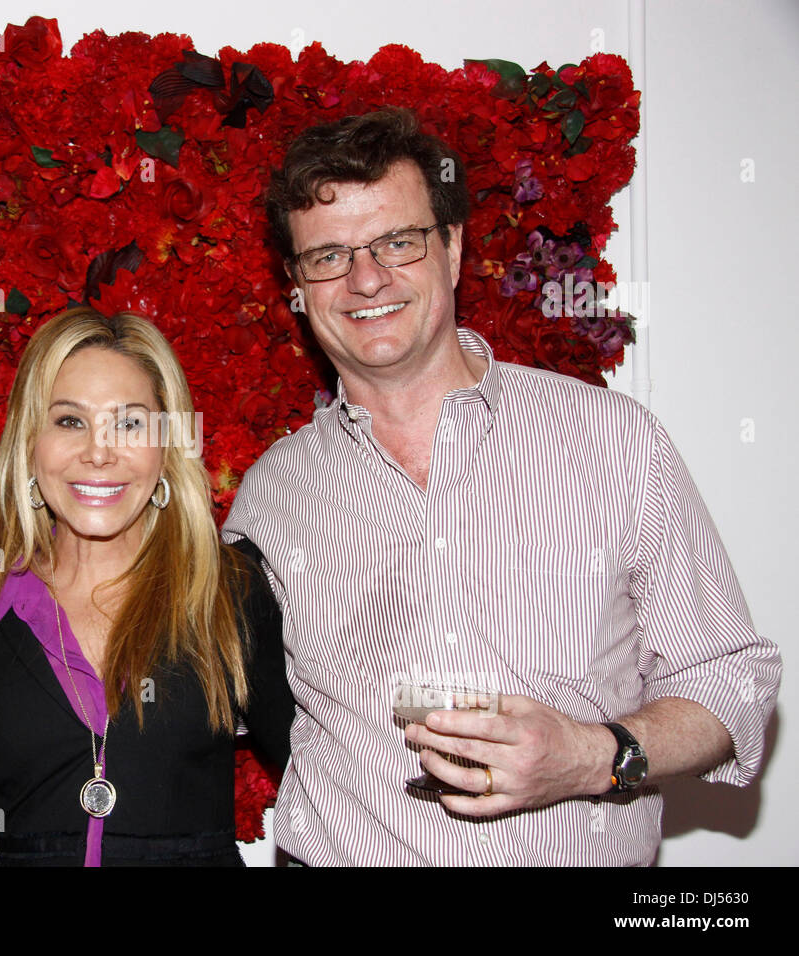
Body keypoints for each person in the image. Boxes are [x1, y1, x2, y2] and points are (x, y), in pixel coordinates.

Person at [223, 109, 782, 865]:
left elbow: (731, 680)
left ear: (451, 249)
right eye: (327, 255)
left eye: (397, 242)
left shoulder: (614, 442)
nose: (365, 278)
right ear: (298, 283)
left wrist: (590, 755)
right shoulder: (271, 494)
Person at [0, 307, 293, 866]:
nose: (99, 452)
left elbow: (324, 777)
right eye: (69, 421)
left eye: (130, 423)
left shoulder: (229, 592)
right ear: (30, 440)